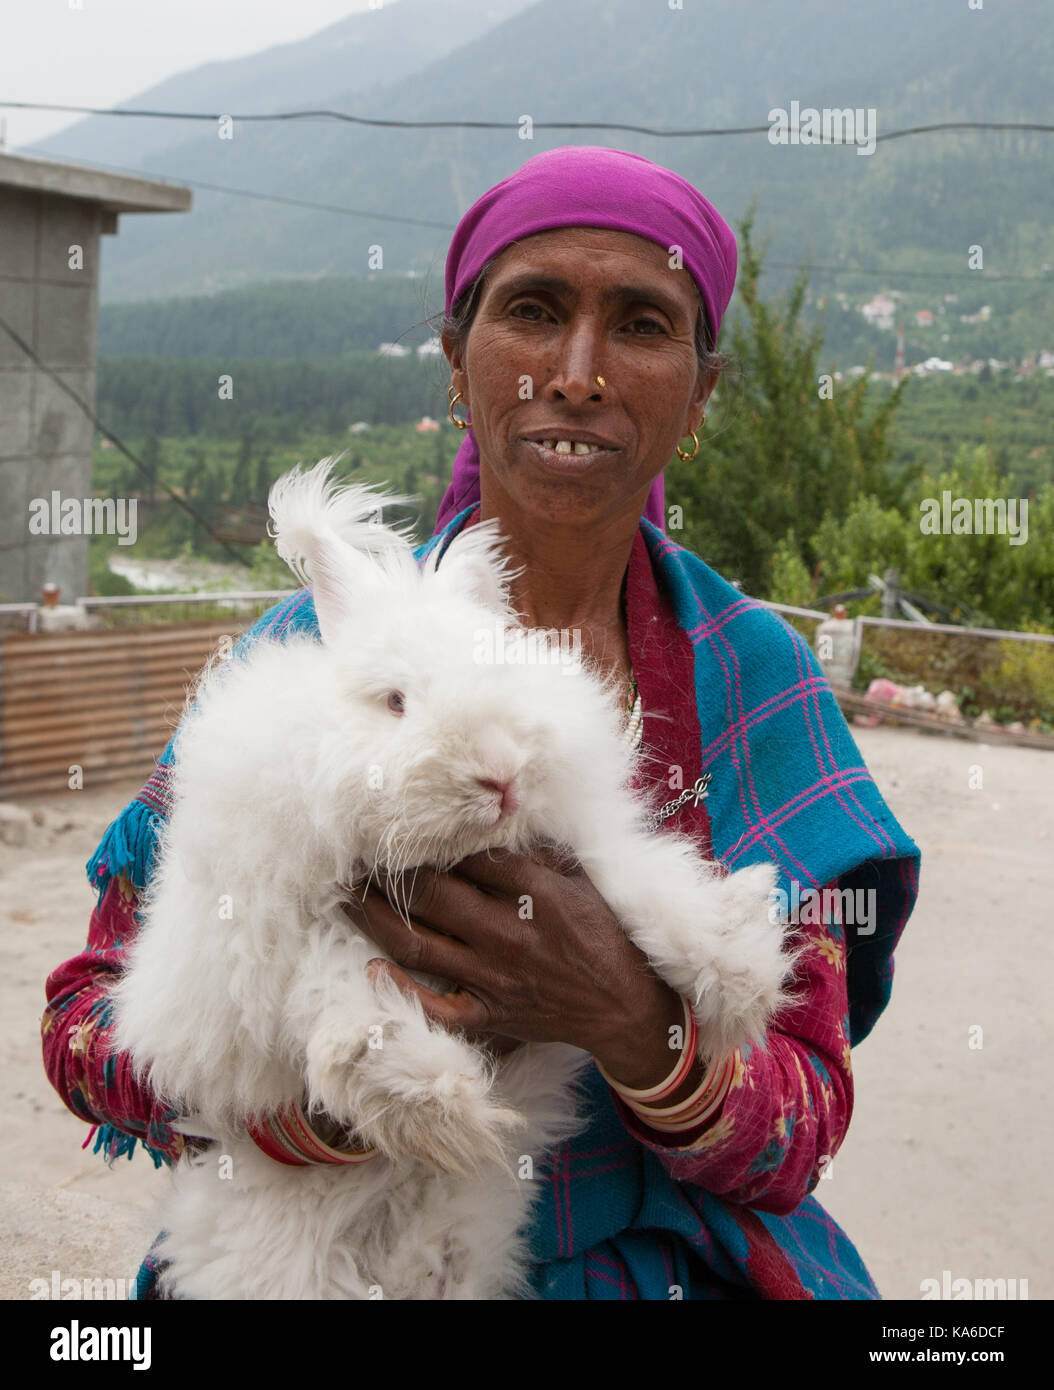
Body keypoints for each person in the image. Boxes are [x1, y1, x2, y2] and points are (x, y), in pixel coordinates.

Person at [42, 146, 920, 1300]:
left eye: (642, 324)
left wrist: (626, 1015)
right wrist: (344, 1097)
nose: (578, 371)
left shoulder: (757, 678)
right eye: (534, 311)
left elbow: (800, 1124)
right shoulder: (313, 664)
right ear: (457, 362)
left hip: (663, 1267)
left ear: (700, 392)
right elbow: (89, 1037)